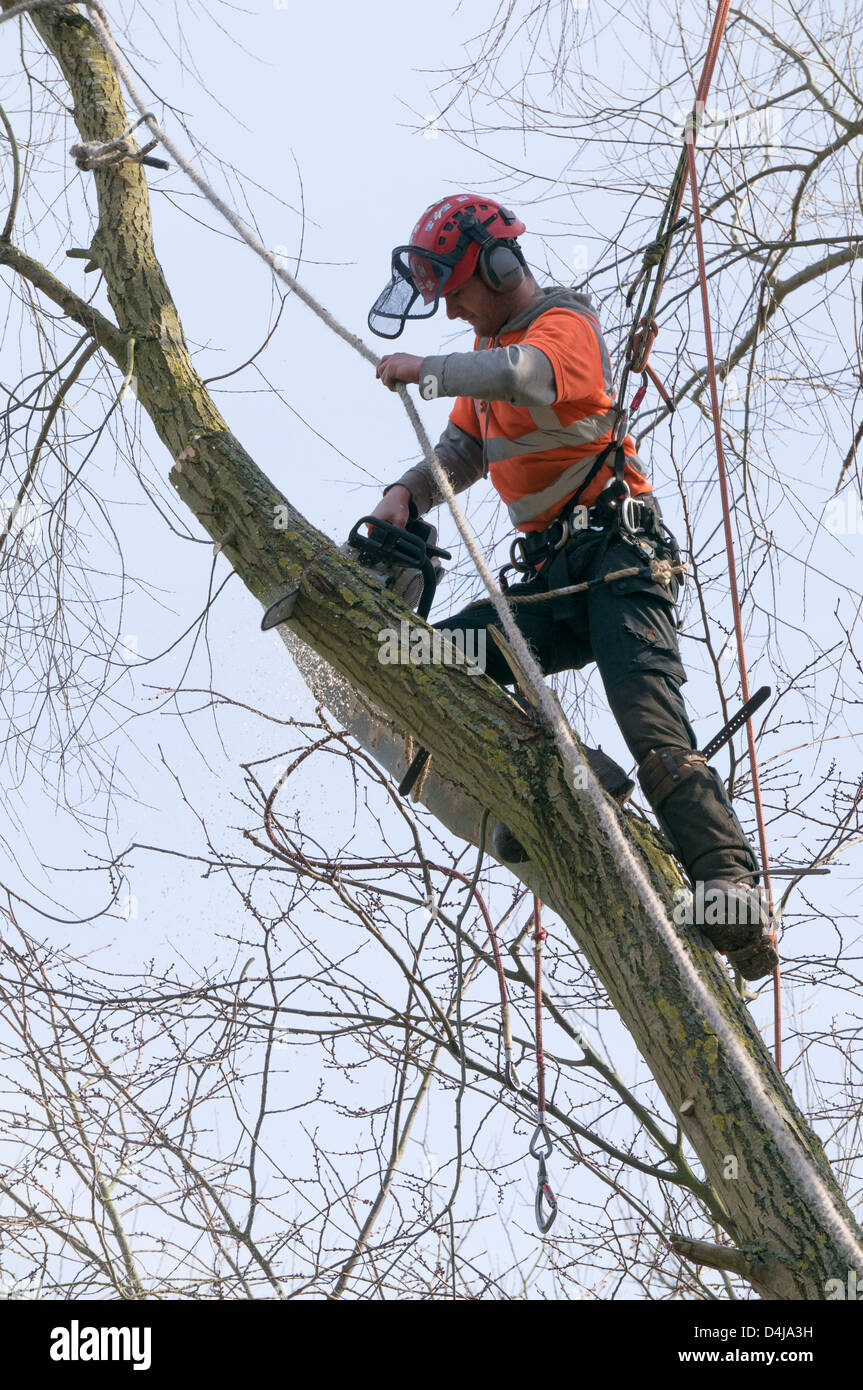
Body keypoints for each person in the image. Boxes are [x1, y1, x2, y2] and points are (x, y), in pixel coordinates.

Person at [367, 194, 777, 982]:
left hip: (619, 556)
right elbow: (461, 451)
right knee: (437, 655)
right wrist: (405, 494)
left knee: (651, 727)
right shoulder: (484, 348)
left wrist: (428, 369)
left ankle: (732, 897)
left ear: (499, 265)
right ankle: (567, 777)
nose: (449, 308)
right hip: (551, 575)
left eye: (455, 288)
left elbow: (528, 376)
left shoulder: (560, 328)